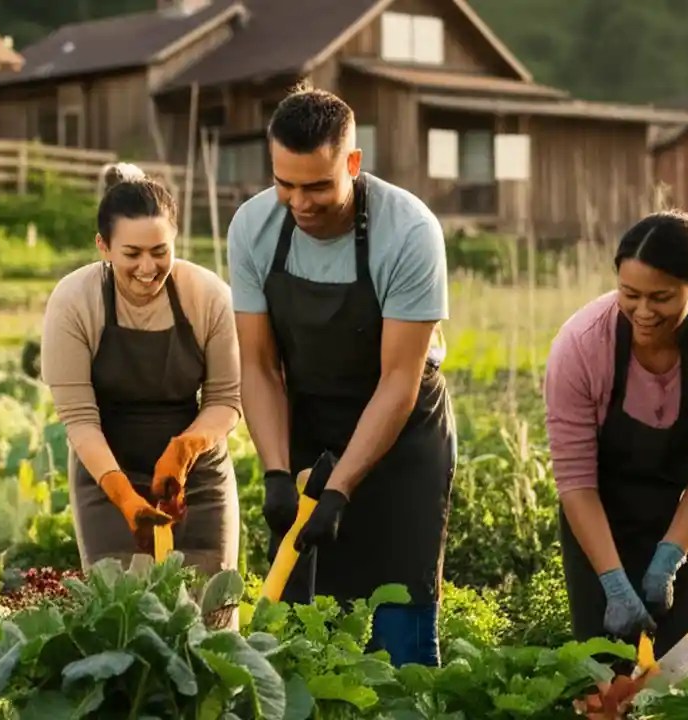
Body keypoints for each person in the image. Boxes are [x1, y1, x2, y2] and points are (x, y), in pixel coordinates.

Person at [228, 84, 456, 667]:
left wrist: (340, 489)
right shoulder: (252, 228)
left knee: (398, 614)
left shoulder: (408, 232)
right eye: (285, 183)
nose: (299, 202)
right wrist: (277, 472)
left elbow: (399, 380)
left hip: (400, 433)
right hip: (307, 420)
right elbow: (258, 365)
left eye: (318, 185)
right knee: (304, 622)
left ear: (353, 164)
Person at [543, 210, 688, 666]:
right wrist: (614, 583)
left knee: (687, 667)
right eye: (630, 294)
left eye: (661, 297)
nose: (643, 311)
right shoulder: (581, 346)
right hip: (599, 514)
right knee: (605, 671)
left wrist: (669, 558)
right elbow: (576, 481)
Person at [41, 163, 241, 586]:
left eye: (160, 251)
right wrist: (125, 498)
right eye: (132, 254)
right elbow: (79, 419)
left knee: (212, 615)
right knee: (122, 615)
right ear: (104, 246)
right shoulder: (75, 301)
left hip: (197, 478)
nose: (148, 268)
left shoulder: (207, 296)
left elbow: (226, 400)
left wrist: (185, 449)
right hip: (108, 475)